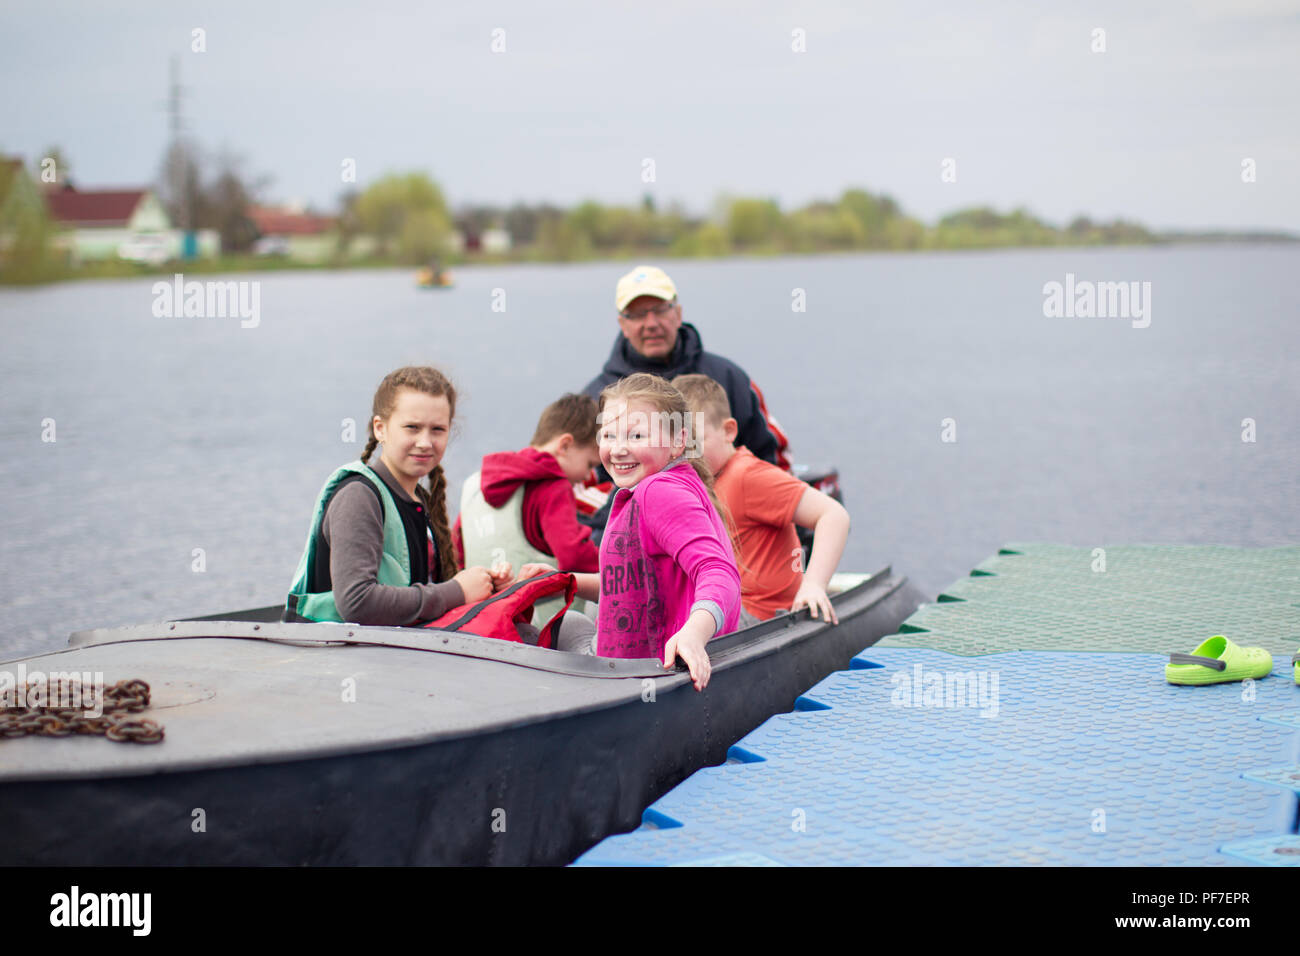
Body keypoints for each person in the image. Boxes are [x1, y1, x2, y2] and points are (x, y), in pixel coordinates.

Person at [518, 373, 741, 691]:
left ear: (678, 442)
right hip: (631, 665)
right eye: (608, 436)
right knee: (575, 620)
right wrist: (565, 581)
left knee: (522, 633)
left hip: (630, 677)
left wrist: (693, 635)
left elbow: (719, 573)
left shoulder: (657, 493)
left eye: (636, 436)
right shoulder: (677, 481)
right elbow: (637, 585)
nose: (618, 449)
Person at [284, 365, 511, 625]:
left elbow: (427, 590)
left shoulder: (418, 499)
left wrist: (486, 587)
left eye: (437, 429)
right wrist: (457, 591)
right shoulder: (359, 497)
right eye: (412, 427)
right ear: (380, 428)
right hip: (335, 658)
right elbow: (356, 602)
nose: (425, 442)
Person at [672, 374, 850, 625]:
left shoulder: (747, 476)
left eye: (695, 442)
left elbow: (833, 515)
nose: (686, 454)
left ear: (728, 431)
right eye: (675, 443)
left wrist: (813, 585)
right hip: (722, 606)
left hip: (758, 618)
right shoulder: (697, 482)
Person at [582, 265, 790, 471]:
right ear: (623, 325)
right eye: (638, 314)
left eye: (660, 310)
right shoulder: (598, 397)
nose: (651, 323)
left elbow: (771, 456)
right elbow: (587, 477)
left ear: (678, 314)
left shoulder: (729, 378)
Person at [453, 393, 603, 623]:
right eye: (589, 464)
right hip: (538, 635)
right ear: (565, 445)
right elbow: (573, 555)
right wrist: (615, 565)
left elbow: (458, 552)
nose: (586, 475)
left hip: (479, 623)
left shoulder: (475, 484)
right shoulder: (553, 485)